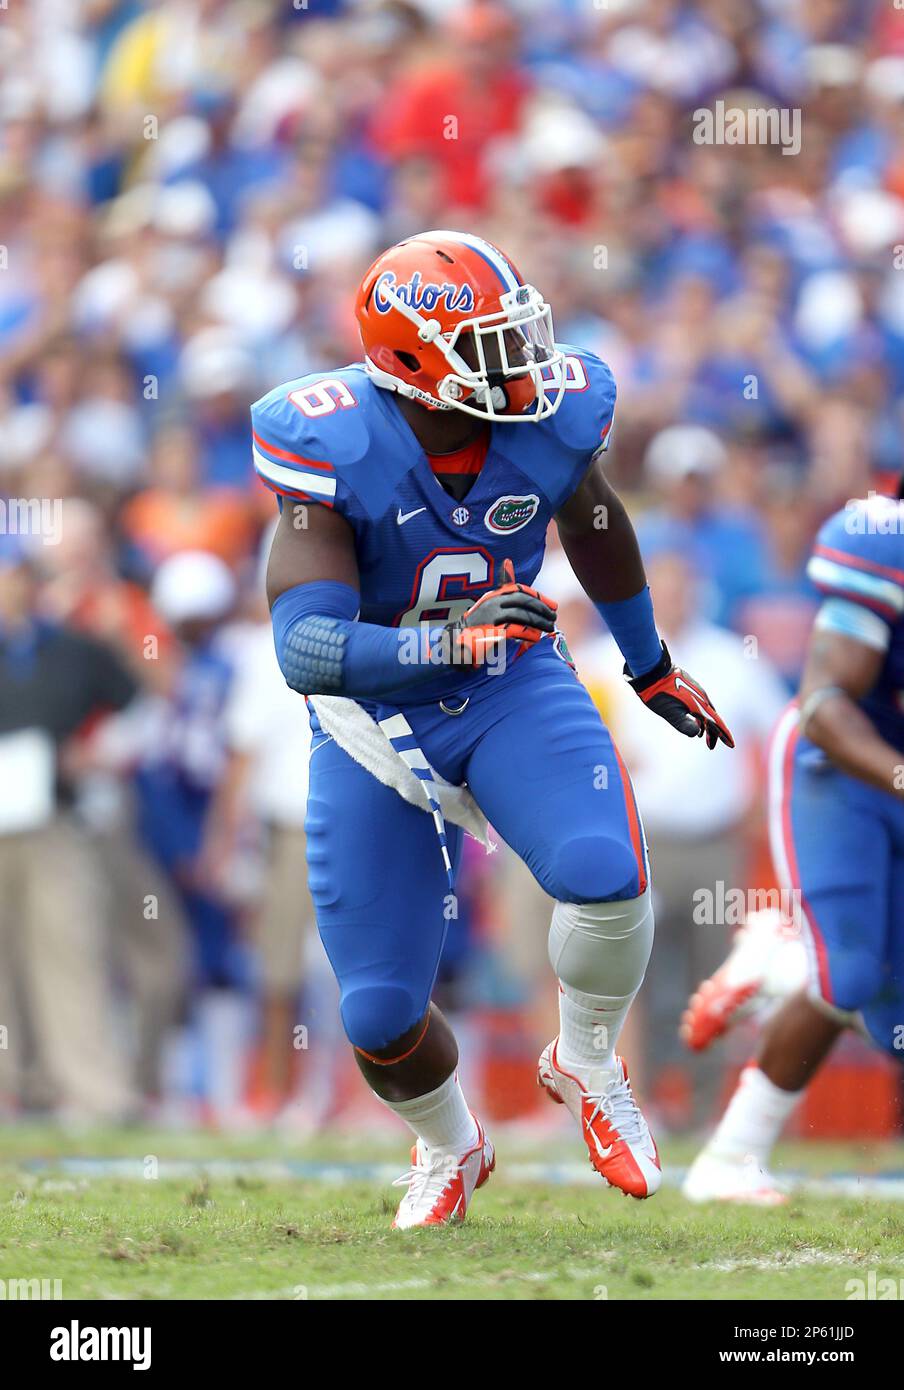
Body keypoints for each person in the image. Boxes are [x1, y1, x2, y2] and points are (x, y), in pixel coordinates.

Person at [253, 230, 733, 1228]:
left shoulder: (546, 419)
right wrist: (442, 646)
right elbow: (305, 649)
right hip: (369, 725)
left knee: (603, 869)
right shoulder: (334, 440)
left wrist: (647, 664)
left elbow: (593, 518)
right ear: (420, 365)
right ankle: (449, 1143)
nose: (522, 362)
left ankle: (587, 1061)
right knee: (379, 1016)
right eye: (491, 344)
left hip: (511, 682)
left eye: (519, 335)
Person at [682, 489, 904, 1203]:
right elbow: (825, 704)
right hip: (839, 766)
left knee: (886, 1012)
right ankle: (729, 1158)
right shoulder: (881, 541)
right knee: (849, 973)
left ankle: (783, 962)